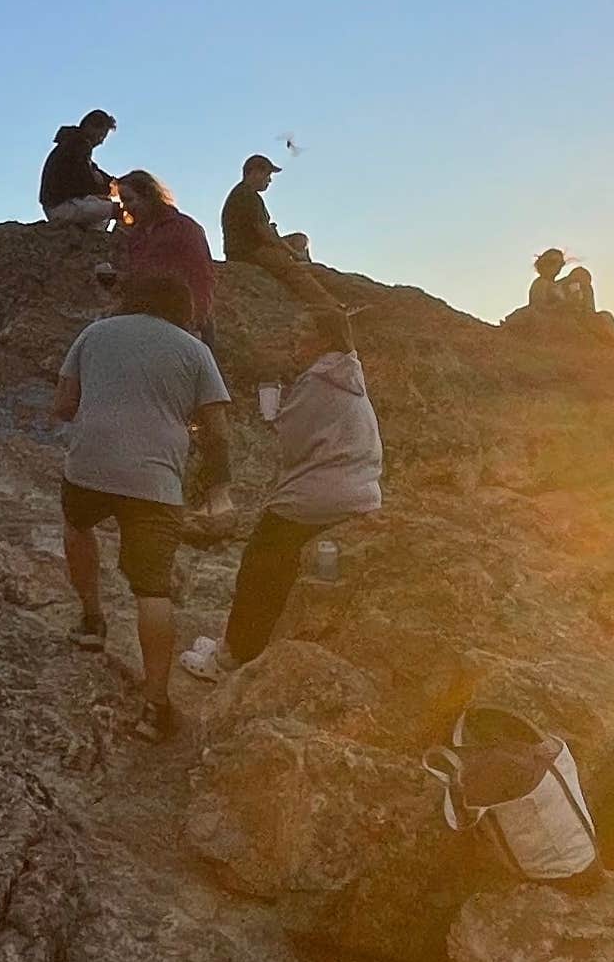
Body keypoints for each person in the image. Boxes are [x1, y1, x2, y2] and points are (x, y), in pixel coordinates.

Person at [55, 269, 232, 739]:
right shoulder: (195, 351)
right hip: (155, 479)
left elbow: (64, 404)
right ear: (182, 309)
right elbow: (217, 432)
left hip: (90, 465)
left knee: (77, 526)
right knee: (152, 590)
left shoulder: (94, 333)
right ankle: (156, 705)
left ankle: (92, 620)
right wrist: (218, 490)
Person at [181, 309, 383, 683]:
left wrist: (276, 415)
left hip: (319, 495)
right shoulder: (347, 378)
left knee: (260, 565)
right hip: (361, 491)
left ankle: (232, 657)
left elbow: (294, 443)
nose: (295, 339)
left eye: (303, 330)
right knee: (289, 572)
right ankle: (259, 648)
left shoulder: (319, 380)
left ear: (324, 339)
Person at [219, 153, 335, 309]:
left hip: (254, 246)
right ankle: (328, 304)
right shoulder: (246, 196)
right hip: (248, 251)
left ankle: (307, 269)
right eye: (267, 174)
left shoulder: (248, 195)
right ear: (253, 173)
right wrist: (292, 253)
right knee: (291, 268)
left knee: (300, 239)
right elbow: (265, 234)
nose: (269, 180)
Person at [113, 170, 216, 334]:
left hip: (183, 321)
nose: (125, 207)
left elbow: (201, 275)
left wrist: (195, 321)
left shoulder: (183, 227)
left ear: (147, 195)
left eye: (128, 200)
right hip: (148, 322)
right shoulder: (136, 235)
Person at [39, 111, 120, 228]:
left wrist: (114, 184)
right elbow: (84, 180)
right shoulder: (77, 146)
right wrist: (102, 191)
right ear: (90, 127)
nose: (101, 141)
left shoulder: (72, 145)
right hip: (61, 206)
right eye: (101, 135)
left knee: (101, 214)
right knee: (115, 209)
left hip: (56, 205)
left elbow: (94, 171)